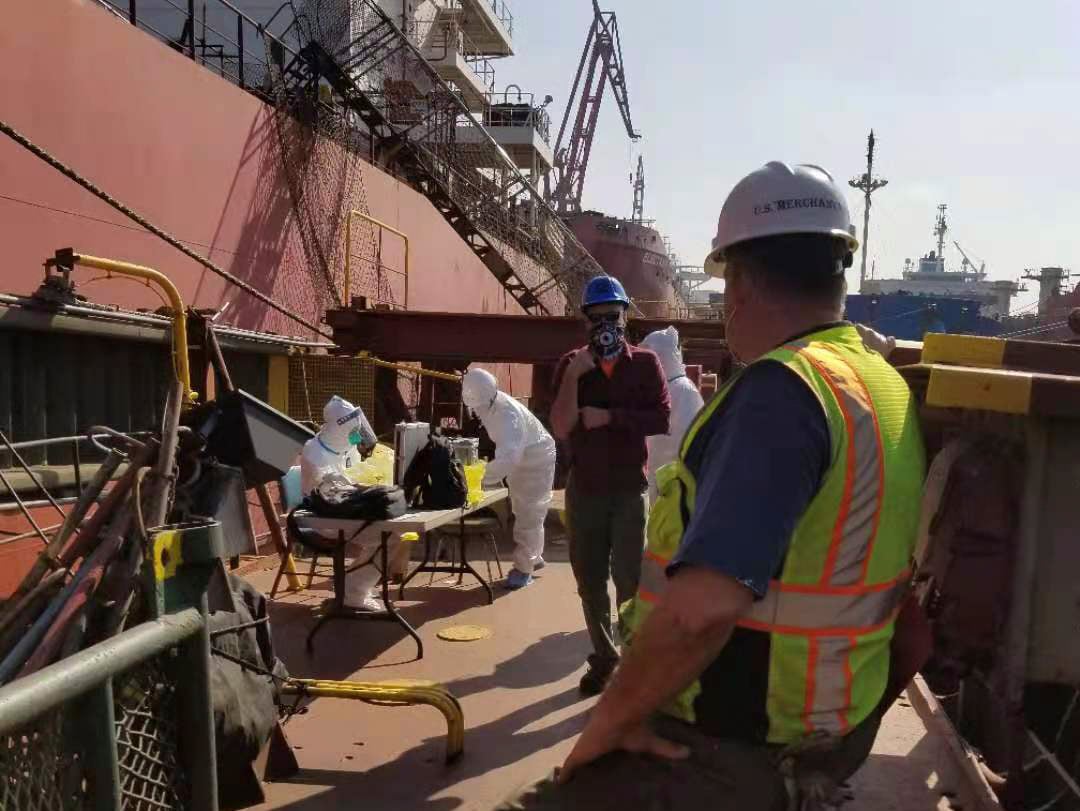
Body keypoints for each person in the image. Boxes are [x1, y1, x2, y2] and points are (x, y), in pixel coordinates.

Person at [497, 162, 927, 810]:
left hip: (730, 747)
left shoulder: (783, 392)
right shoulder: (881, 385)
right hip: (826, 730)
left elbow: (700, 609)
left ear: (744, 281)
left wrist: (605, 725)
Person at [550, 275, 671, 697]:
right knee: (589, 581)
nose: (606, 325)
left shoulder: (645, 363)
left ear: (625, 317)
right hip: (584, 489)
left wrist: (611, 417)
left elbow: (660, 418)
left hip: (627, 491)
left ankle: (635, 662)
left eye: (613, 316)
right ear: (586, 321)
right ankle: (604, 658)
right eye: (597, 317)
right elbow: (561, 426)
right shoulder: (571, 364)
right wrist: (575, 376)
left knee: (629, 580)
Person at [462, 367, 557, 590]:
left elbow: (508, 459)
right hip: (524, 455)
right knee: (521, 508)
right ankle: (534, 555)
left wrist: (479, 479)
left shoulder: (507, 416)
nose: (475, 411)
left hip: (536, 458)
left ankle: (524, 568)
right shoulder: (490, 403)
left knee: (529, 511)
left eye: (477, 406)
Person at [300, 395, 390, 612]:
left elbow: (356, 478)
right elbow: (331, 491)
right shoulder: (313, 451)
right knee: (388, 537)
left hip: (348, 511)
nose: (356, 436)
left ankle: (356, 584)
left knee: (395, 535)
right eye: (351, 431)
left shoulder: (348, 448)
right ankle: (354, 592)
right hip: (322, 516)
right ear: (337, 427)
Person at [639, 327, 705, 505]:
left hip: (674, 481)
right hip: (657, 476)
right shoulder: (664, 388)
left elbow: (682, 443)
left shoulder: (684, 390)